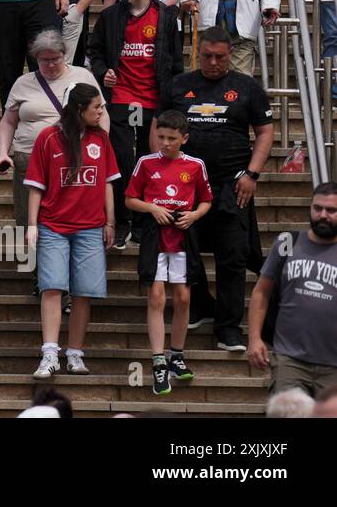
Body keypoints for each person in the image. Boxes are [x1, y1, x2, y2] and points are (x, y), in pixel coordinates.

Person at [160, 25, 273, 352]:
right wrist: (164, 172)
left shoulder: (247, 87)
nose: (212, 62)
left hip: (232, 185)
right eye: (206, 56)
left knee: (233, 256)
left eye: (219, 57)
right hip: (185, 187)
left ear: (229, 55)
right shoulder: (179, 86)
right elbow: (159, 130)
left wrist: (252, 174)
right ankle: (197, 306)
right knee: (185, 253)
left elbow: (265, 132)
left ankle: (228, 328)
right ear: (198, 51)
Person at [24, 83, 119, 378]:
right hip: (53, 225)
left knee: (83, 293)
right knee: (52, 287)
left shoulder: (101, 138)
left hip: (90, 227)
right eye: (96, 107)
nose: (101, 111)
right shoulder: (48, 138)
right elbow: (36, 186)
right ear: (80, 109)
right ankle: (50, 353)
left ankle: (75, 354)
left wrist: (110, 221)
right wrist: (31, 225)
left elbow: (107, 182)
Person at [88, 0, 184, 249]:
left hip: (153, 102)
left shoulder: (167, 18)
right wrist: (104, 73)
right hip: (120, 99)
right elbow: (96, 52)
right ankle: (120, 221)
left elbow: (176, 63)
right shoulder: (110, 16)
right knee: (121, 161)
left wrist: (171, 103)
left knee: (148, 161)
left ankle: (143, 222)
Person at [124, 110, 213, 395]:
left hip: (183, 236)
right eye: (160, 137)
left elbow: (207, 201)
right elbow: (130, 199)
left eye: (171, 138)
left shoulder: (196, 165)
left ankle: (177, 355)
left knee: (184, 298)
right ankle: (158, 361)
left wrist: (195, 216)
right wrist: (152, 208)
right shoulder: (146, 163)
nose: (164, 143)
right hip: (155, 237)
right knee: (157, 296)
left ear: (184, 138)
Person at [0, 30, 110, 229]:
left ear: (64, 54)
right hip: (29, 156)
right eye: (43, 60)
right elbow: (8, 122)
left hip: (72, 157)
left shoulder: (83, 76)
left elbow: (101, 113)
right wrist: (3, 152)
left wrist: (101, 146)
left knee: (69, 219)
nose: (49, 65)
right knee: (28, 220)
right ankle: (33, 258)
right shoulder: (23, 83)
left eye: (55, 59)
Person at [248, 183, 337, 397]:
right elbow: (261, 293)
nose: (322, 215)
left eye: (331, 210)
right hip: (290, 359)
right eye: (317, 208)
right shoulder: (287, 243)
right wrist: (254, 338)